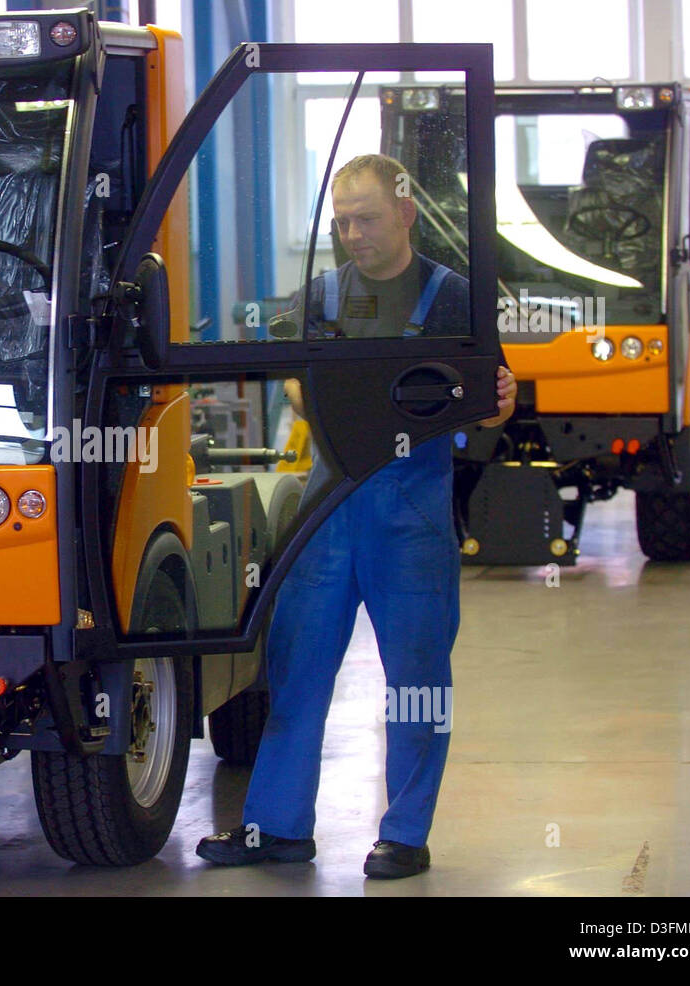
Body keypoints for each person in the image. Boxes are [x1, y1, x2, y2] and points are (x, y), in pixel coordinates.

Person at [196, 154, 516, 878]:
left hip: (412, 510)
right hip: (330, 502)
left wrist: (501, 397)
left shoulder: (456, 299)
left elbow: (494, 405)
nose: (351, 234)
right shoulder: (318, 296)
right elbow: (299, 388)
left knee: (418, 676)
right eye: (341, 221)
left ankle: (405, 832)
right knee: (297, 668)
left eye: (365, 218)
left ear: (405, 213)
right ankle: (275, 827)